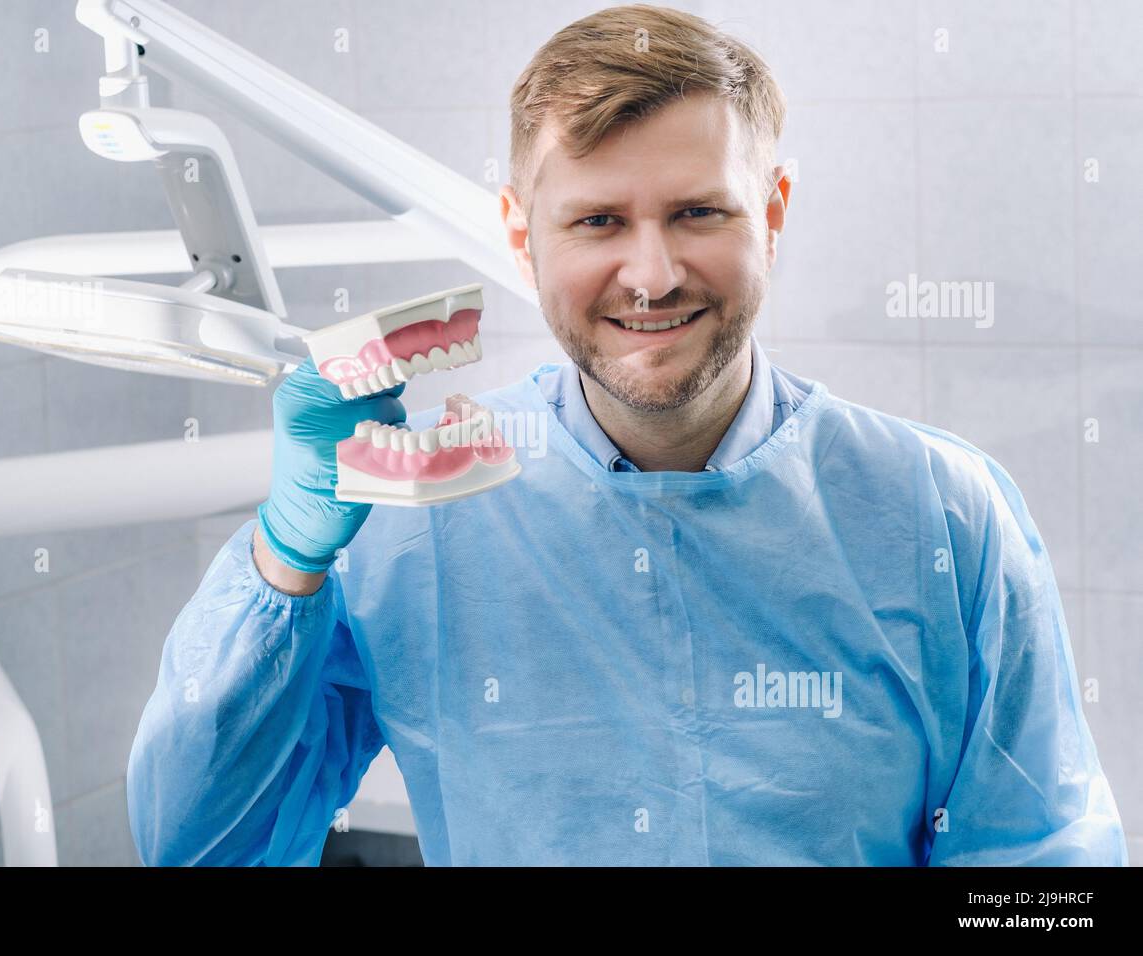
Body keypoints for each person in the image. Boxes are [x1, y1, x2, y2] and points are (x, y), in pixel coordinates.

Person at [126, 5, 1129, 866]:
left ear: (771, 213)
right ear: (521, 236)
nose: (650, 275)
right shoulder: (410, 513)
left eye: (697, 212)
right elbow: (207, 845)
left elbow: (1035, 874)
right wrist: (285, 561)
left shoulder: (939, 516)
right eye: (598, 222)